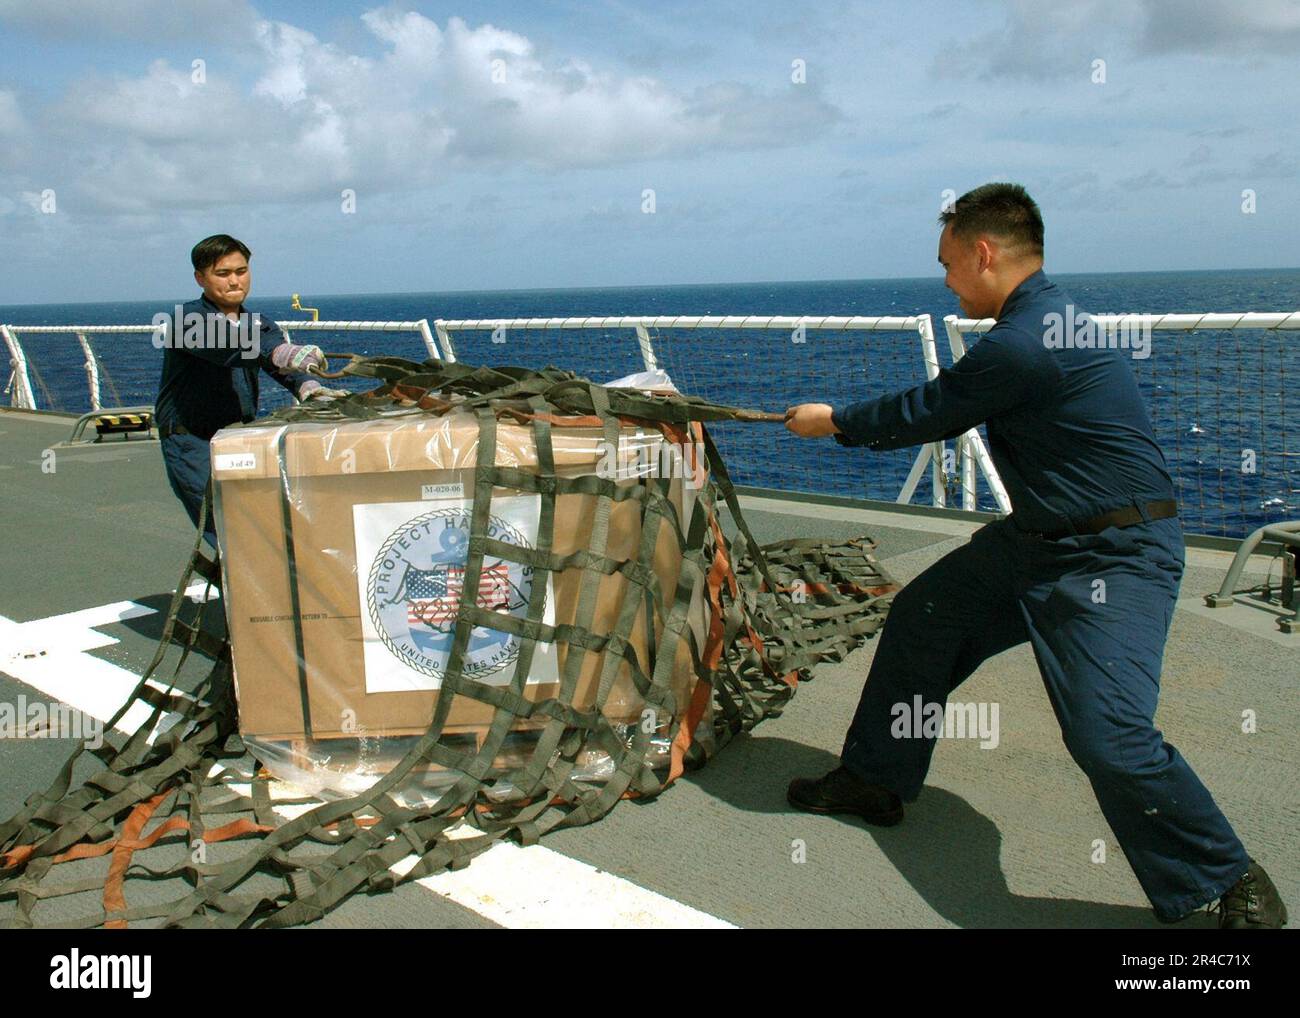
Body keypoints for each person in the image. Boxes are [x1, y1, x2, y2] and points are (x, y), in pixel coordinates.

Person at [782, 183, 1287, 929]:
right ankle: (874, 777)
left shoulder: (1027, 341)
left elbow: (930, 411)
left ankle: (1229, 880)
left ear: (985, 253)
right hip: (1039, 538)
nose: (947, 281)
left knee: (1108, 738)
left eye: (950, 264)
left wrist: (834, 422)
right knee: (925, 616)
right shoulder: (1047, 320)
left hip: (1112, 555)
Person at [155, 234, 342, 547]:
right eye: (223, 273)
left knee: (257, 525)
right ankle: (244, 594)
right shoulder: (187, 320)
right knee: (229, 531)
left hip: (236, 438)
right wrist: (280, 353)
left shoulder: (259, 323)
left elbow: (273, 356)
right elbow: (230, 346)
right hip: (192, 442)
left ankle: (255, 592)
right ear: (200, 278)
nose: (234, 281)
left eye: (241, 271)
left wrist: (308, 386)